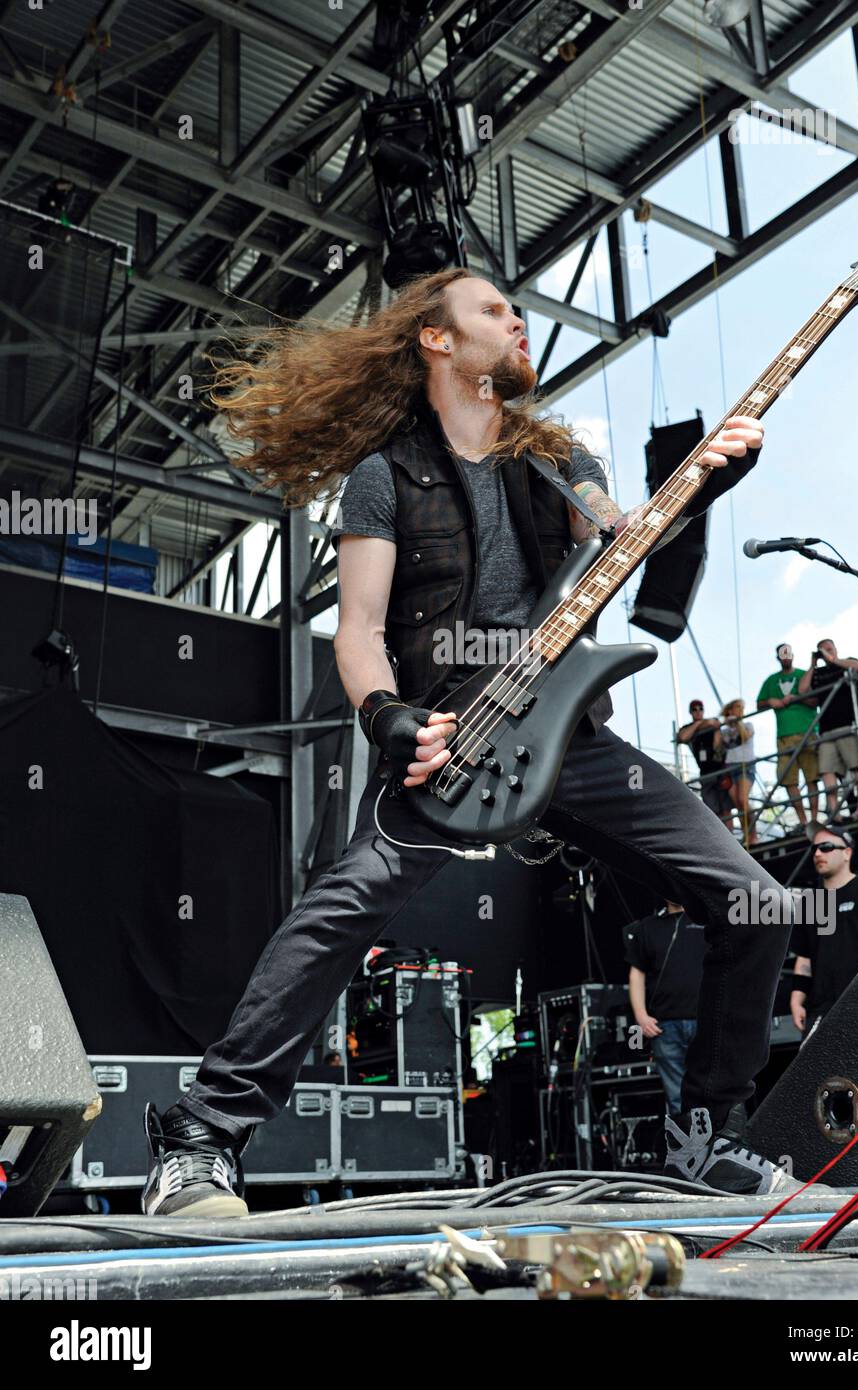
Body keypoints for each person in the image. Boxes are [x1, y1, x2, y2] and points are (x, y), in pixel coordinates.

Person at [140, 266, 801, 1215]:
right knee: (342, 906)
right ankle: (202, 1135)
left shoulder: (555, 452)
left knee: (756, 904)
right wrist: (388, 717)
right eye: (494, 310)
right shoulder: (384, 477)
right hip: (450, 733)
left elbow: (618, 538)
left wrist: (696, 492)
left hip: (568, 732)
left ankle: (707, 1138)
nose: (517, 322)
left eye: (519, 311)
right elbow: (360, 629)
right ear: (437, 340)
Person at [789, 824, 858, 1044]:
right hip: (822, 1009)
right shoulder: (810, 902)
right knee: (816, 1073)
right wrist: (796, 1000)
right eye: (814, 849)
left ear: (847, 853)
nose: (818, 854)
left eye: (826, 847)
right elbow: (804, 957)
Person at [623, 900, 706, 1117]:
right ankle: (692, 1150)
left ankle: (725, 1149)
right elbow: (637, 974)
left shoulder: (708, 919)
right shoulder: (647, 927)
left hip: (707, 1022)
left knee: (718, 1093)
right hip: (665, 1027)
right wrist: (641, 1016)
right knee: (678, 1100)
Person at [798, 639, 858, 820]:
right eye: (823, 650)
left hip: (849, 725)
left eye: (829, 648)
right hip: (826, 730)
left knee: (857, 770)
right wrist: (813, 664)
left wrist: (833, 659)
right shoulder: (818, 672)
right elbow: (802, 689)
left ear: (835, 649)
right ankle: (835, 812)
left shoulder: (845, 663)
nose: (827, 652)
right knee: (826, 770)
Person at [756, 642, 819, 827]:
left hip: (807, 732)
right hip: (783, 737)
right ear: (778, 657)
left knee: (811, 778)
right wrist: (770, 701)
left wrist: (797, 698)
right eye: (782, 654)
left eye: (788, 653)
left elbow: (815, 700)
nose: (786, 656)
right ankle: (803, 821)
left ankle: (815, 819)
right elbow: (759, 704)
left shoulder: (802, 675)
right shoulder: (771, 680)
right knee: (788, 779)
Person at [676, 699, 733, 829]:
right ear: (691, 712)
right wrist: (699, 724)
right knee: (712, 810)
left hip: (720, 769)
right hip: (705, 773)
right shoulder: (689, 728)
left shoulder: (711, 722)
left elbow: (715, 723)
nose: (698, 712)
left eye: (700, 709)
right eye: (695, 709)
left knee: (726, 808)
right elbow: (683, 737)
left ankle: (732, 838)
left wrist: (701, 724)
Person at [718, 698, 757, 846]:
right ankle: (747, 835)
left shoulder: (748, 725)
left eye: (742, 707)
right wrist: (727, 723)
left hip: (746, 765)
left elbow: (745, 736)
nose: (741, 710)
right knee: (738, 804)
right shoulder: (725, 730)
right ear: (730, 710)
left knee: (743, 800)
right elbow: (721, 747)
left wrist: (738, 722)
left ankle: (753, 835)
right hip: (731, 767)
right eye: (738, 707)